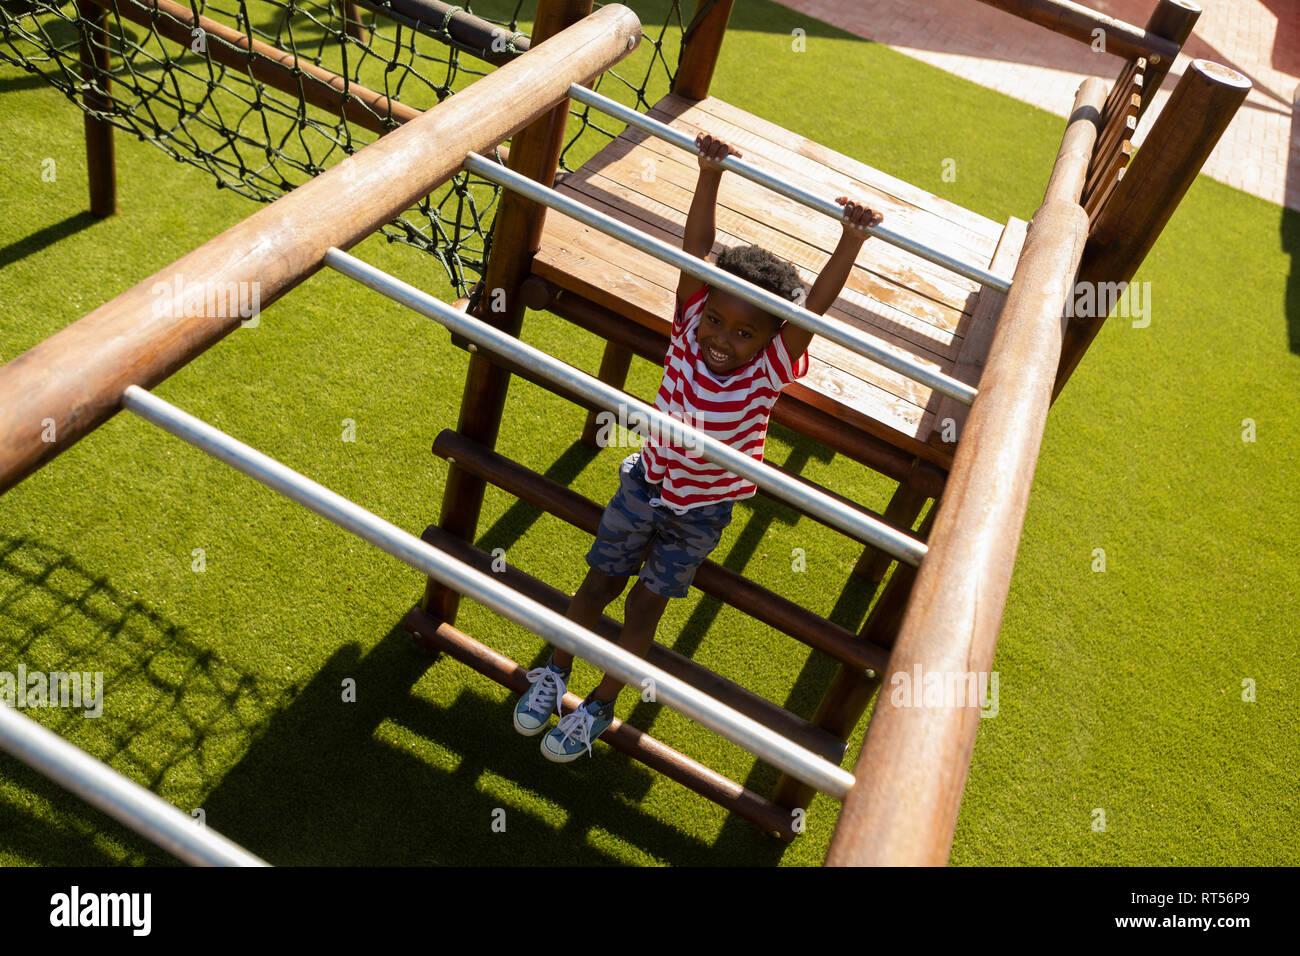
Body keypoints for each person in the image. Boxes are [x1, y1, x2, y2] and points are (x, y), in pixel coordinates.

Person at [514, 131, 883, 762]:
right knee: (598, 582)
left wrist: (850, 239)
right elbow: (696, 251)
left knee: (642, 610)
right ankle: (555, 670)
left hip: (698, 515)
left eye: (744, 332)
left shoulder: (768, 369)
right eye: (716, 319)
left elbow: (814, 310)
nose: (723, 339)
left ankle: (601, 705)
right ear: (699, 311)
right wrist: (709, 171)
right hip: (644, 484)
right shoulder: (687, 330)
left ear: (771, 338)